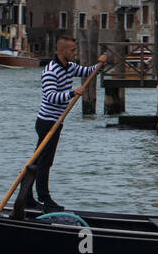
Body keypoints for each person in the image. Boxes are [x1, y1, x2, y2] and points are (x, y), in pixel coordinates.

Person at [26, 34, 106, 212]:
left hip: (56, 122)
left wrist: (100, 64)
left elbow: (88, 71)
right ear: (62, 51)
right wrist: (72, 93)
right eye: (72, 50)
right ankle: (43, 198)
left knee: (39, 161)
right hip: (47, 122)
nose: (75, 53)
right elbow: (51, 97)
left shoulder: (69, 67)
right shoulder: (50, 71)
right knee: (43, 162)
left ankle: (28, 197)